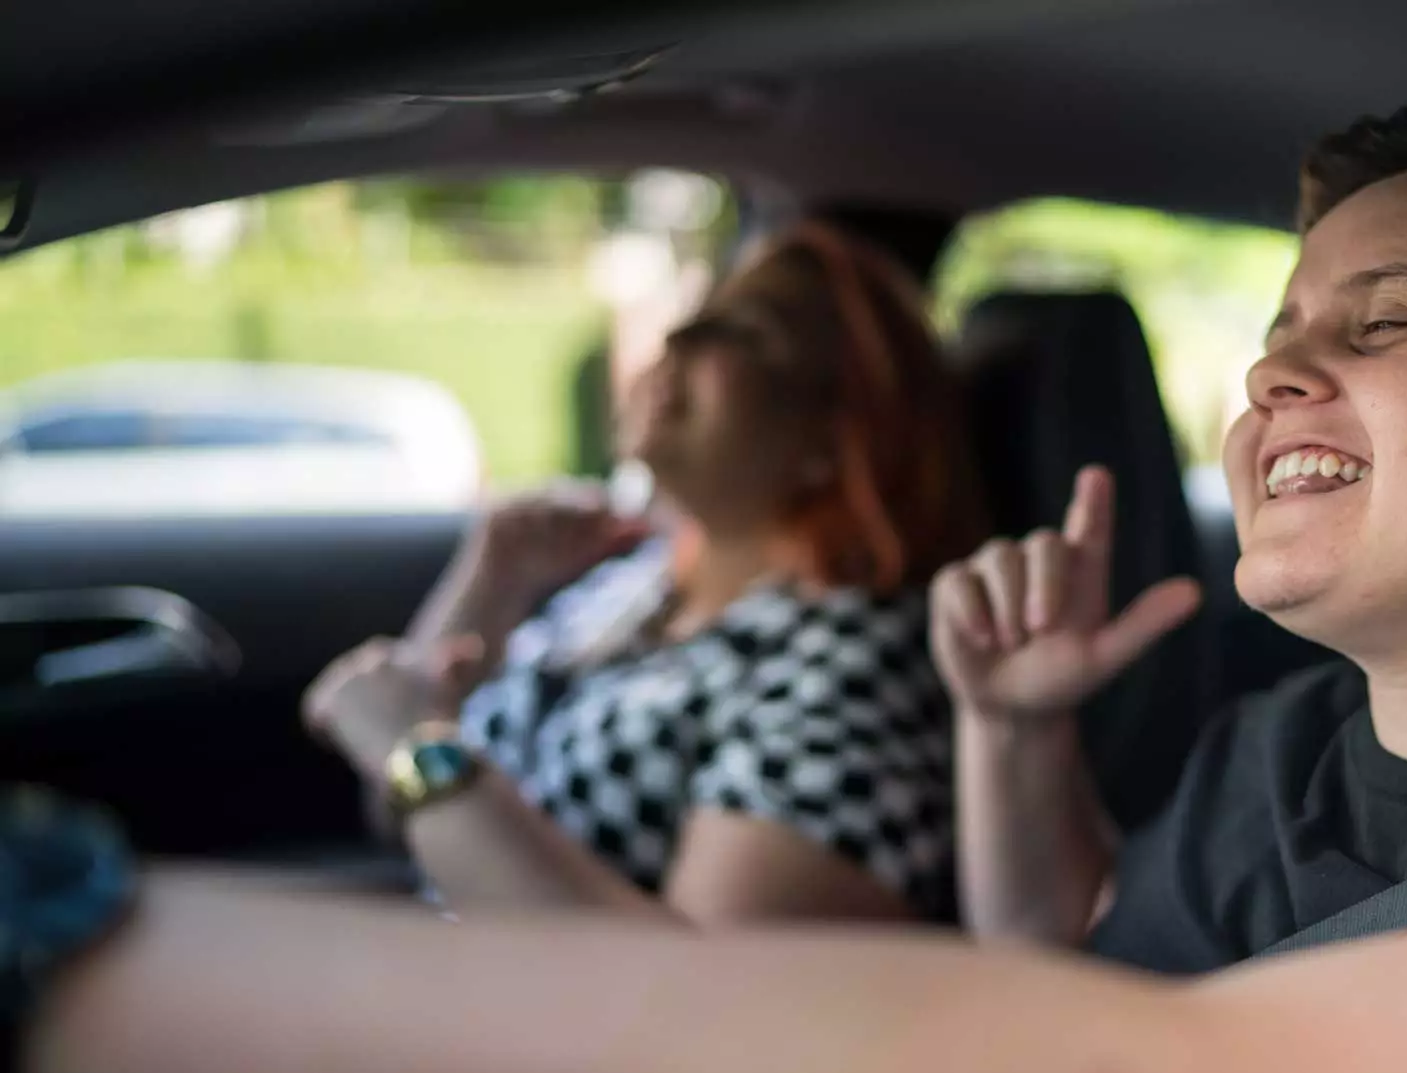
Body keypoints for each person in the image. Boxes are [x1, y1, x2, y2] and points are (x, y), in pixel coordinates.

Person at [9, 90, 1407, 1073]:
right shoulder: (1292, 747)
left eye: (1384, 322)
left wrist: (72, 958)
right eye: (1276, 331)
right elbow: (1077, 971)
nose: (1271, 376)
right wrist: (1009, 742)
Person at [302, 221, 984, 925]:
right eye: (690, 320)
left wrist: (419, 753)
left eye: (742, 333)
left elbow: (704, 993)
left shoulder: (855, 660)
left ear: (834, 439)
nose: (678, 341)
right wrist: (492, 584)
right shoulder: (634, 589)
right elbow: (403, 817)